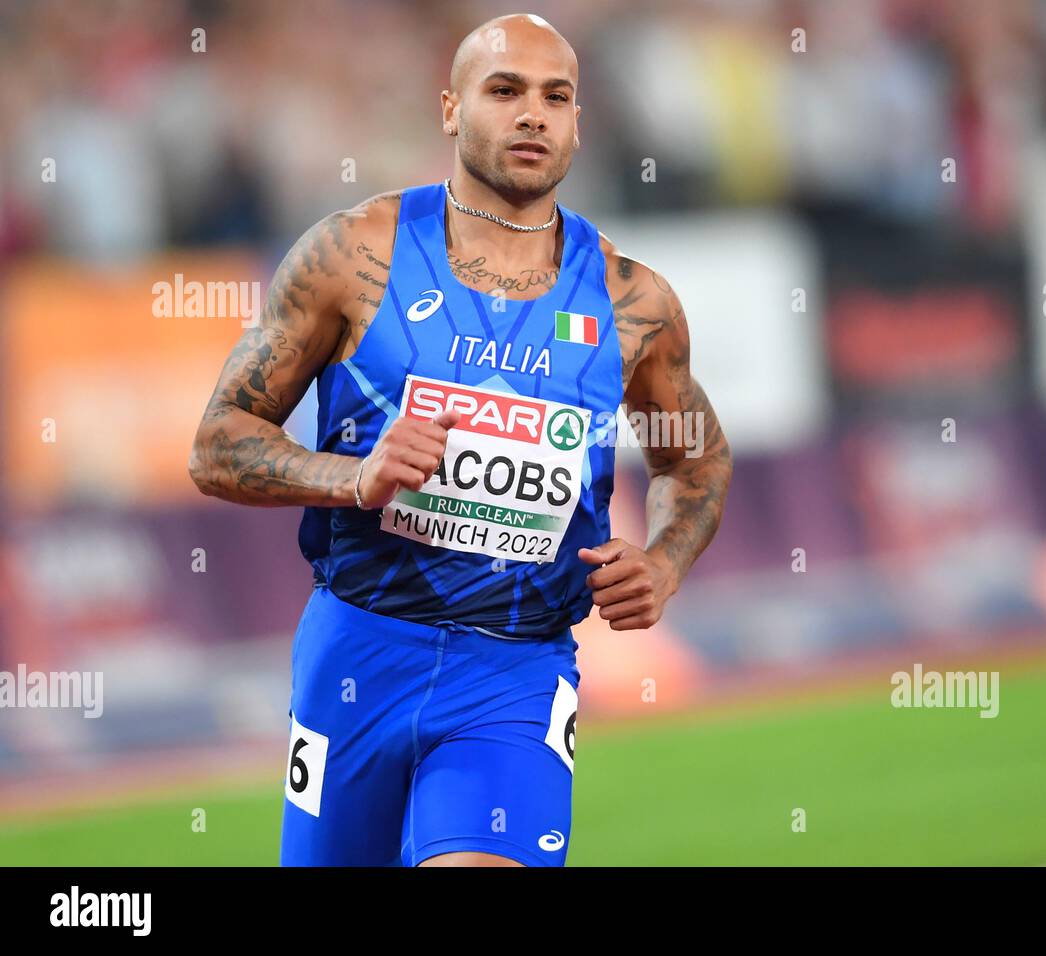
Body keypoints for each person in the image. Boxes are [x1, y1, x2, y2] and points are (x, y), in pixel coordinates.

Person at [187, 12, 731, 867]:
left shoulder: (635, 303)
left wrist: (663, 561)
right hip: (357, 656)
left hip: (515, 676)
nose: (533, 115)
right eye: (505, 90)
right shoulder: (350, 255)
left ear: (578, 122)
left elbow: (693, 455)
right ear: (450, 107)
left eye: (557, 97)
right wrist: (354, 475)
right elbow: (216, 444)